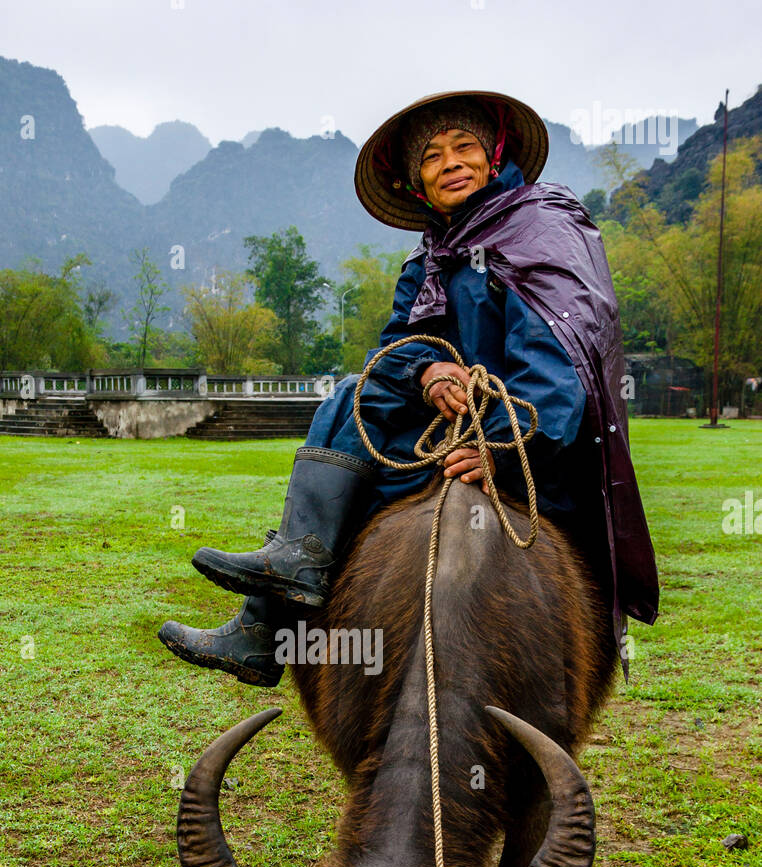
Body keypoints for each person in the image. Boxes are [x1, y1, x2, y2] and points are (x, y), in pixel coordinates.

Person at [159, 89, 658, 685]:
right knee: (353, 394)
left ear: (493, 155)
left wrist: (501, 448)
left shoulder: (540, 232)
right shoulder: (430, 258)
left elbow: (562, 360)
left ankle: (268, 619)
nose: (450, 162)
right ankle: (283, 591)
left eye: (464, 146)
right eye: (431, 157)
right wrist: (428, 372)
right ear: (415, 182)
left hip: (530, 449)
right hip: (438, 432)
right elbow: (393, 351)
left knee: (354, 463)